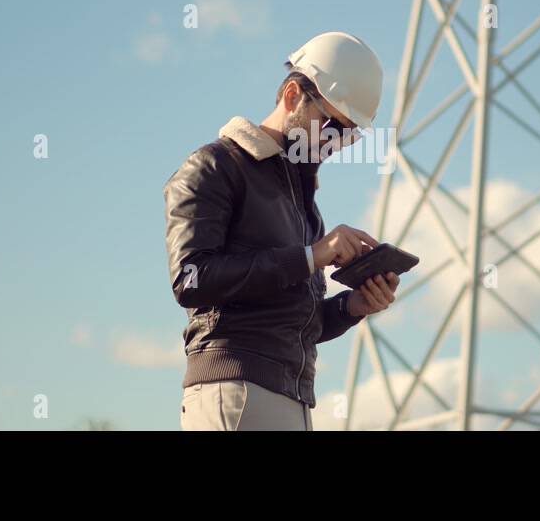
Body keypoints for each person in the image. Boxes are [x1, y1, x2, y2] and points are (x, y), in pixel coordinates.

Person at [164, 31, 401, 431]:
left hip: (291, 397)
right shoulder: (215, 167)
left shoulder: (305, 207)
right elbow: (190, 279)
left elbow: (293, 319)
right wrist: (311, 256)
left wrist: (351, 307)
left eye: (349, 134)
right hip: (234, 388)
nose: (337, 143)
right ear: (292, 97)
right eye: (332, 125)